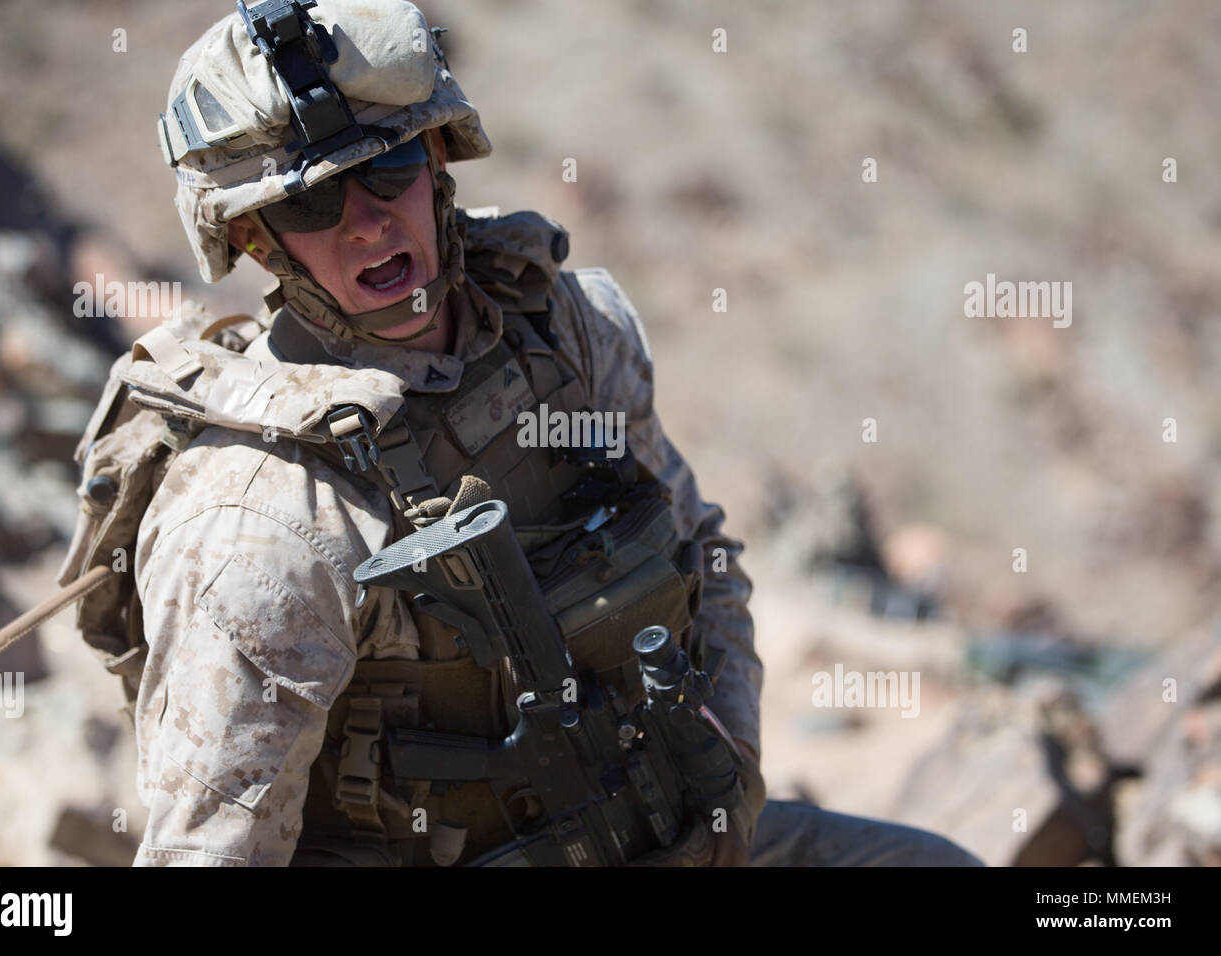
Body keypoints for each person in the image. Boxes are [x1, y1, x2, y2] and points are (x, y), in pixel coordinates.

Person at [102, 0, 980, 866]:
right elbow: (211, 853)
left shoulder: (565, 329)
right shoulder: (260, 523)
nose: (366, 221)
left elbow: (702, 555)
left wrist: (731, 783)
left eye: (389, 165)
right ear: (255, 241)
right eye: (311, 207)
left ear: (439, 155)